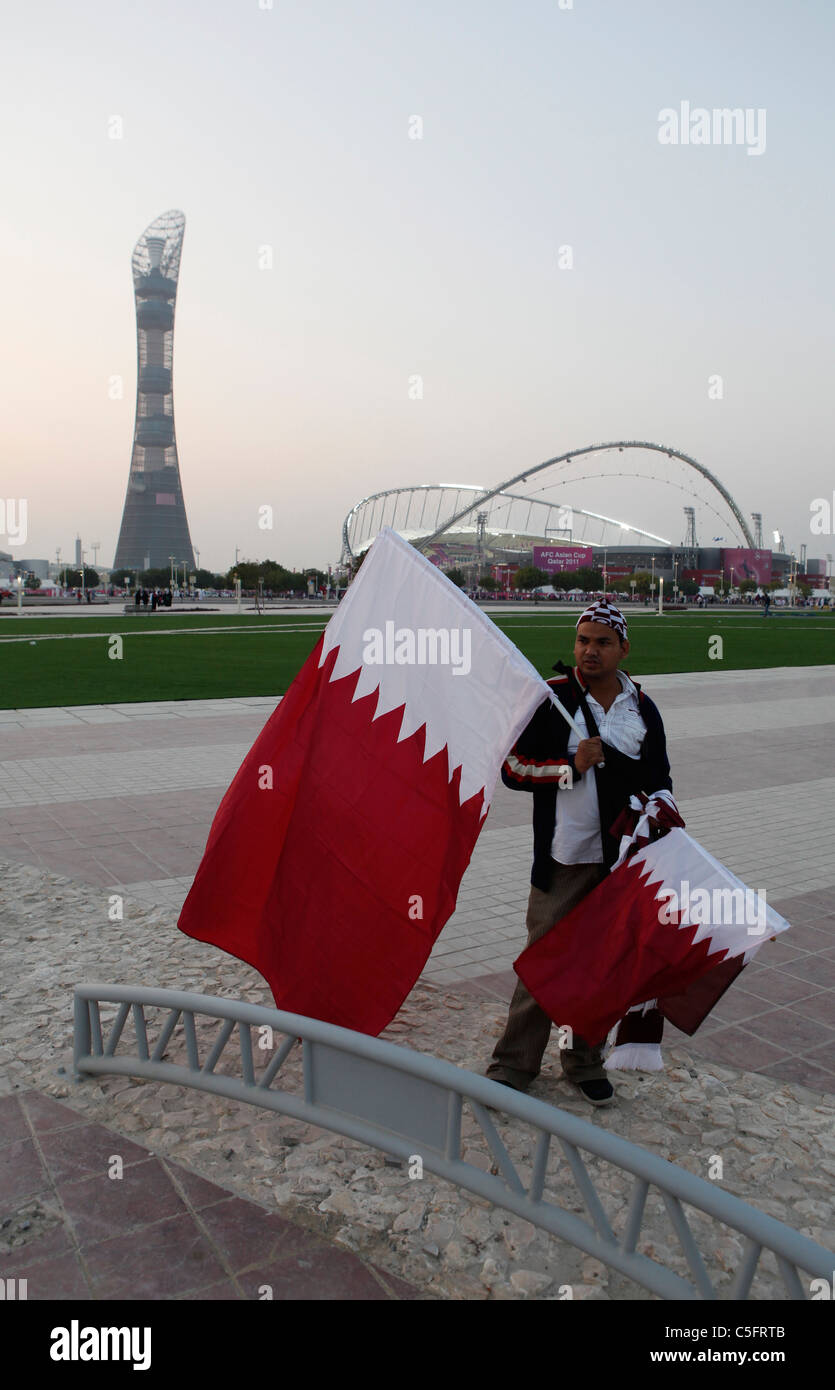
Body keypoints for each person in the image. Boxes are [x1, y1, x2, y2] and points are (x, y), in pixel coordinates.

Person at [486, 600, 674, 1107]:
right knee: (543, 962)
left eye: (602, 642)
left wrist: (661, 813)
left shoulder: (641, 706)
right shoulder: (553, 700)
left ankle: (584, 1060)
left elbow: (660, 776)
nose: (590, 651)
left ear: (623, 649)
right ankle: (514, 1064)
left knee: (600, 966)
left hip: (619, 863)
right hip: (563, 857)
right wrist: (572, 764)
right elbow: (513, 769)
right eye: (583, 641)